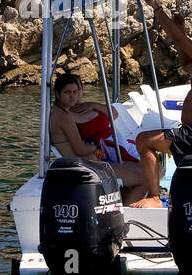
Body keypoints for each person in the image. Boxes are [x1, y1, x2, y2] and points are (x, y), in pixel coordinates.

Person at [129, 0, 192, 208]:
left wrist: (156, 8)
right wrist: (183, 32)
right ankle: (156, 192)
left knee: (144, 140)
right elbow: (184, 61)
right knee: (145, 140)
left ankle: (155, 197)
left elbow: (180, 41)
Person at [48, 73, 147, 204]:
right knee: (144, 178)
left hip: (87, 162)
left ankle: (122, 206)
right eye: (67, 92)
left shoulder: (59, 111)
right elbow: (80, 150)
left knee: (142, 170)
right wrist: (97, 146)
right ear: (57, 93)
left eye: (75, 91)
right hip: (86, 165)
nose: (72, 96)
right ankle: (125, 216)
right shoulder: (63, 117)